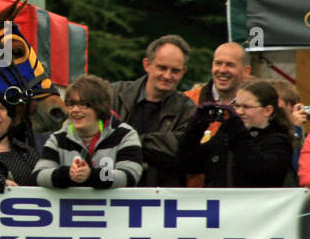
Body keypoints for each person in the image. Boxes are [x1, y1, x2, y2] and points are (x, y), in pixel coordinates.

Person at [110, 35, 196, 185]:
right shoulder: (113, 95)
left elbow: (182, 152)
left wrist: (124, 141)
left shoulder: (188, 110)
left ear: (184, 72)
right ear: (147, 65)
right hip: (112, 193)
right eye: (162, 67)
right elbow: (94, 133)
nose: (167, 76)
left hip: (162, 200)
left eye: (175, 71)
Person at [175, 80, 295, 186]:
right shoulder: (224, 137)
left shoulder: (279, 141)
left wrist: (237, 131)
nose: (239, 112)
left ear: (267, 110)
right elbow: (187, 163)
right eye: (236, 106)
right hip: (220, 207)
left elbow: (260, 172)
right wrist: (196, 126)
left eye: (246, 107)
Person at [36, 74, 142, 189]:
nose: (75, 110)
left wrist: (91, 176)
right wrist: (67, 174)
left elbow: (129, 176)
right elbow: (39, 175)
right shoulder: (58, 138)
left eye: (83, 104)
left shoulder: (125, 135)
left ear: (99, 107)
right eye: (71, 105)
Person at [181, 42, 252, 186]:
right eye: (218, 63)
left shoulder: (256, 107)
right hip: (191, 197)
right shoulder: (186, 101)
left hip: (240, 198)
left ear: (246, 71)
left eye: (230, 65)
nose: (222, 70)